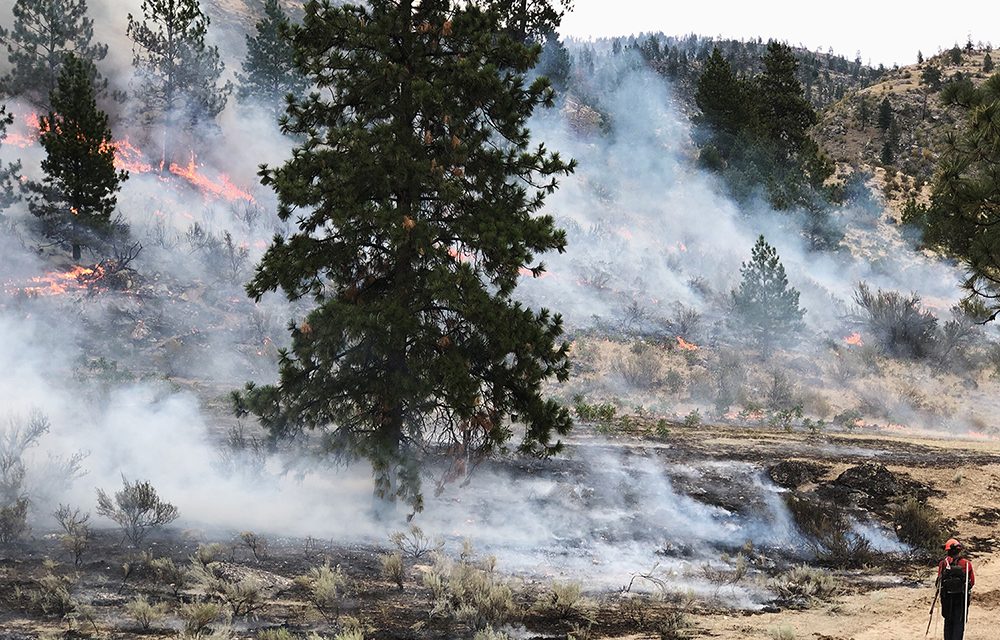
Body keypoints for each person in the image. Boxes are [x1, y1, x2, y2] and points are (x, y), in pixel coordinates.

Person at [937, 538, 975, 640]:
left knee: (948, 622)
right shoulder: (966, 563)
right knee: (959, 623)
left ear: (948, 550)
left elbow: (939, 581)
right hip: (961, 599)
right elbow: (972, 582)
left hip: (947, 599)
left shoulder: (943, 563)